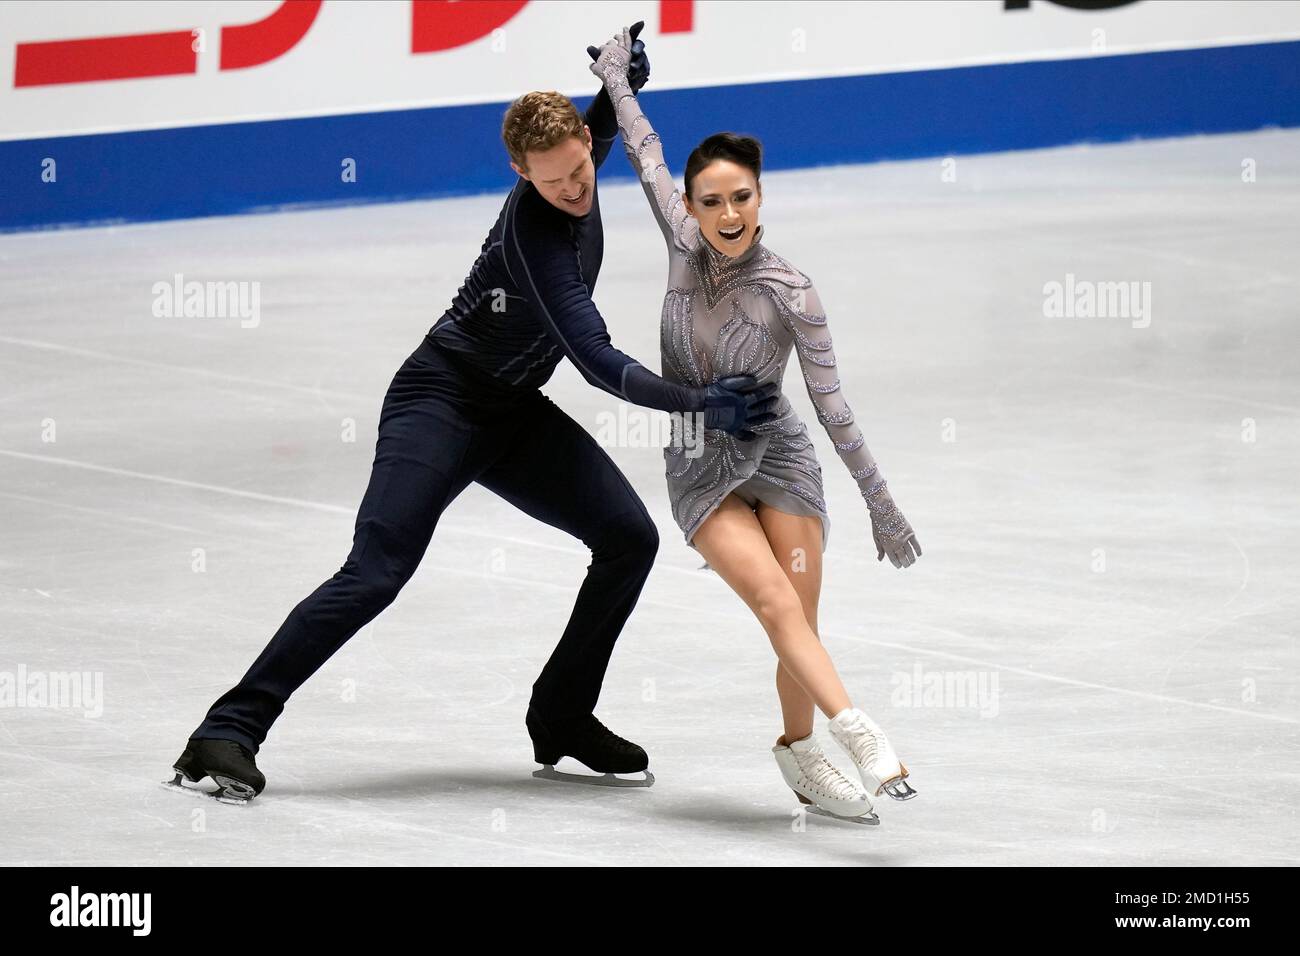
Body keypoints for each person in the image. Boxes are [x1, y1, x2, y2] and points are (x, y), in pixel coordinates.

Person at [164, 23, 777, 804]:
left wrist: (622, 86)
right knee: (377, 571)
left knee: (628, 538)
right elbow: (595, 360)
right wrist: (698, 403)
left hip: (511, 407)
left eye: (583, 168)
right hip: (441, 399)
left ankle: (560, 713)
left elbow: (593, 126)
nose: (577, 188)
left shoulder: (574, 155)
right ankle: (228, 729)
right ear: (519, 173)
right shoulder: (537, 235)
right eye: (554, 181)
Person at [589, 28, 922, 822]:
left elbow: (833, 407)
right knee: (775, 601)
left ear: (761, 197)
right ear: (693, 208)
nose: (727, 212)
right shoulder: (679, 242)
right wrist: (614, 82)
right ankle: (860, 733)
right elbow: (643, 151)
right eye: (711, 200)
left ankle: (800, 753)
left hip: (781, 457)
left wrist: (880, 499)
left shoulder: (792, 291)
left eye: (741, 196)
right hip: (700, 465)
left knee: (799, 619)